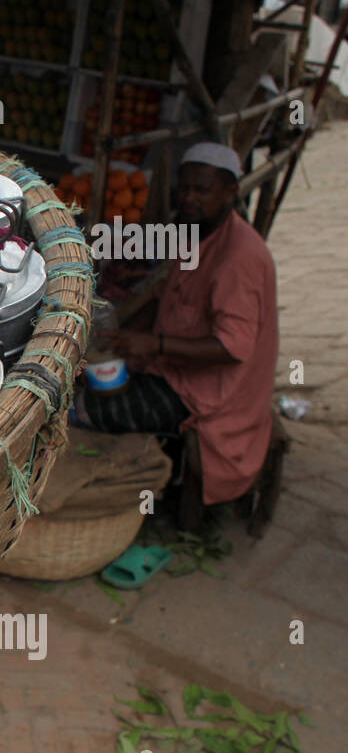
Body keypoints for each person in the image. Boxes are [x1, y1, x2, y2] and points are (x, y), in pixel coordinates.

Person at [79, 141, 278, 509]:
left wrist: (152, 344)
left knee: (87, 407)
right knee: (86, 379)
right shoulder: (196, 233)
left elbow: (233, 348)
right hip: (167, 365)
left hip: (208, 393)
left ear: (231, 192)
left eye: (202, 190)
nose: (189, 198)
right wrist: (120, 338)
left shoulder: (239, 257)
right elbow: (165, 301)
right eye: (184, 189)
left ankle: (140, 493)